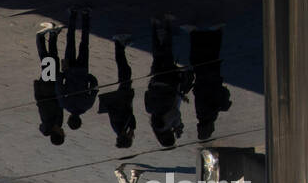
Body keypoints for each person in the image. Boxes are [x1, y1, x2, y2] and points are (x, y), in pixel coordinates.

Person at [144, 17, 192, 148]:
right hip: (155, 82)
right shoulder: (154, 121)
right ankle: (154, 26)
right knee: (157, 54)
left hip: (169, 82)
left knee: (167, 53)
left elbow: (176, 113)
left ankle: (168, 24)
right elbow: (146, 97)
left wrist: (177, 125)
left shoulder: (166, 124)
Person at [187, 26, 231, 141]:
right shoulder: (203, 116)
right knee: (204, 57)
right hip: (205, 80)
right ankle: (199, 34)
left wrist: (223, 105)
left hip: (210, 80)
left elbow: (210, 98)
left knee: (210, 57)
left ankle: (215, 33)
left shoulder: (209, 115)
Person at [57, 8, 98, 131]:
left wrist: (88, 76)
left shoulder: (87, 105)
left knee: (84, 43)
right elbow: (59, 86)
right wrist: (63, 75)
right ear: (69, 118)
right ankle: (73, 15)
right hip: (69, 70)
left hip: (82, 71)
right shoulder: (65, 104)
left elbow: (94, 87)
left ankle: (86, 16)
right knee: (70, 42)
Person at [97, 34, 136, 148]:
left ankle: (118, 44)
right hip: (124, 96)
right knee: (125, 70)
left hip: (122, 96)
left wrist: (132, 128)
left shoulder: (118, 126)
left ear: (126, 137)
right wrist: (132, 128)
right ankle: (121, 46)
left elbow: (126, 113)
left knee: (124, 70)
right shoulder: (122, 128)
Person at [34, 25, 65, 145]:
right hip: (53, 85)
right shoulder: (57, 123)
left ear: (57, 134)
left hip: (47, 86)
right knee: (53, 60)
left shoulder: (48, 121)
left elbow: (43, 103)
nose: (64, 132)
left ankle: (40, 37)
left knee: (47, 60)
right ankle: (53, 36)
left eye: (62, 134)